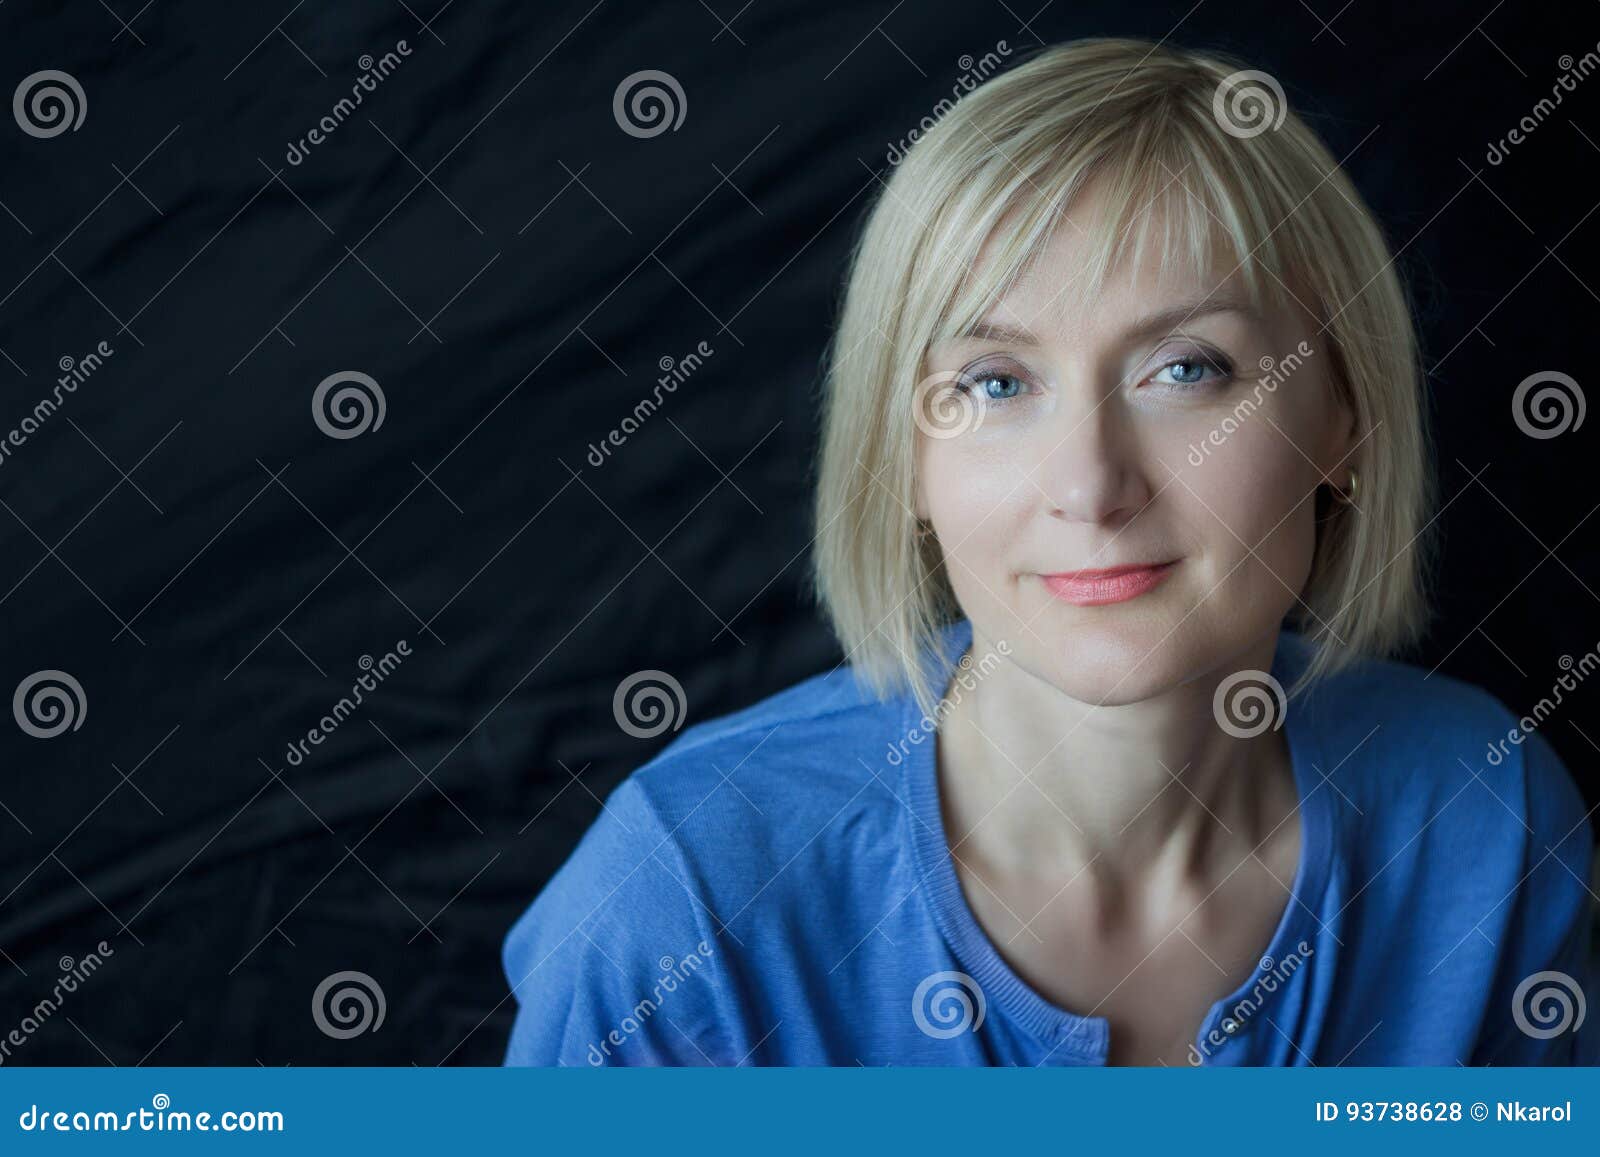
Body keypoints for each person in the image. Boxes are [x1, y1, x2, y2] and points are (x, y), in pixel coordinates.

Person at [501, 37, 1596, 1066]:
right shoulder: (684, 895)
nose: (1089, 486)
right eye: (994, 383)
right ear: (905, 465)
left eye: (1185, 369)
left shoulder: (1484, 815)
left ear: (1341, 423)